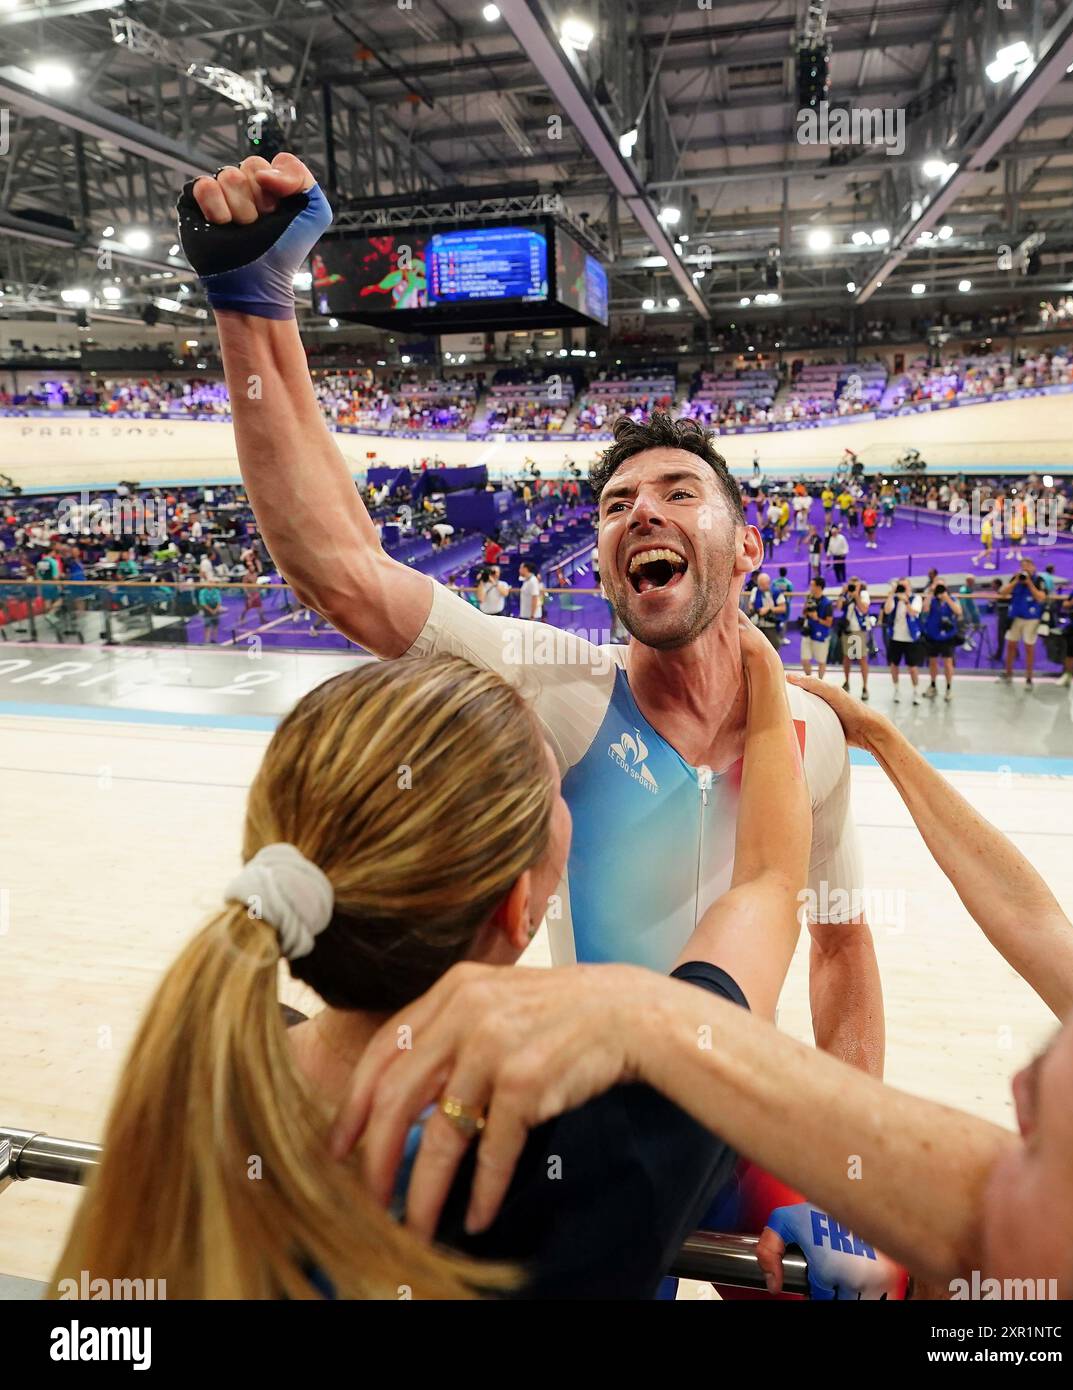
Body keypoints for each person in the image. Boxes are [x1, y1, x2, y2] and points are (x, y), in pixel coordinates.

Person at [176, 151, 884, 1087]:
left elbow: (840, 946)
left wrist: (848, 1160)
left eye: (679, 490)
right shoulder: (561, 691)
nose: (642, 511)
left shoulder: (819, 738)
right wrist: (254, 307)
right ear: (601, 560)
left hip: (738, 1140)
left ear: (749, 547)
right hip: (592, 1132)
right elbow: (344, 574)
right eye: (616, 504)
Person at [53, 642, 816, 1299]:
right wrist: (767, 678)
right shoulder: (606, 1140)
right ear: (519, 910)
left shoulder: (217, 1062)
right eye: (558, 793)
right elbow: (767, 884)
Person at [340, 677, 1073, 1302]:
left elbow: (348, 576)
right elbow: (775, 883)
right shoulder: (632, 1140)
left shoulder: (234, 1075)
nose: (1014, 1092)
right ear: (520, 907)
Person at [998, 558, 1047, 689]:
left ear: (1034, 567)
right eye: (1023, 567)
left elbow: (1041, 598)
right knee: (1010, 646)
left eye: (1028, 567)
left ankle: (1029, 678)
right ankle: (1008, 674)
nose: (1025, 570)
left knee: (1029, 648)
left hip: (1031, 619)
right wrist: (1015, 581)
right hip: (1015, 617)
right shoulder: (1016, 579)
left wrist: (1029, 583)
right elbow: (1002, 593)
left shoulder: (1038, 580)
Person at [882, 579, 923, 705]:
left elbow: (914, 613)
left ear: (910, 587)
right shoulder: (894, 598)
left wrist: (905, 601)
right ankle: (897, 690)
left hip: (911, 639)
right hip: (895, 637)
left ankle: (916, 691)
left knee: (912, 668)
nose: (903, 588)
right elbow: (887, 610)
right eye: (901, 586)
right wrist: (892, 594)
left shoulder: (916, 598)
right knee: (894, 665)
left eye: (905, 586)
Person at [921, 582, 963, 701]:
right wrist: (930, 592)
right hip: (932, 635)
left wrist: (947, 598)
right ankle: (933, 685)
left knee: (947, 663)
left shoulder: (953, 599)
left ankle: (949, 688)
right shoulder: (932, 600)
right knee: (933, 662)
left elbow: (958, 611)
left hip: (947, 637)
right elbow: (925, 609)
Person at [838, 578, 871, 700]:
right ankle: (846, 682)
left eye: (855, 585)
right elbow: (839, 607)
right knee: (847, 657)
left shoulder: (863, 594)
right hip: (848, 630)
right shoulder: (847, 595)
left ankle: (865, 687)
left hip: (859, 631)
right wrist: (843, 593)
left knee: (862, 658)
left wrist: (856, 595)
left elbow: (864, 609)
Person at [799, 576, 834, 678]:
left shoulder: (827, 603)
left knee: (821, 661)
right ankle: (809, 679)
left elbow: (829, 623)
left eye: (812, 585)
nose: (810, 587)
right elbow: (803, 614)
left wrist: (817, 618)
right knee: (804, 659)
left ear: (818, 587)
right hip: (808, 632)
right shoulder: (809, 599)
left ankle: (820, 682)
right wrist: (805, 609)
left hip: (821, 634)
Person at [746, 571, 787, 652]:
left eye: (763, 584)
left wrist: (769, 609)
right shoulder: (755, 590)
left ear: (768, 583)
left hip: (771, 625)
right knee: (756, 649)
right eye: (759, 584)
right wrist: (752, 610)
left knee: (773, 649)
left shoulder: (776, 592)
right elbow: (750, 603)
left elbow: (783, 608)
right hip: (757, 625)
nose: (760, 587)